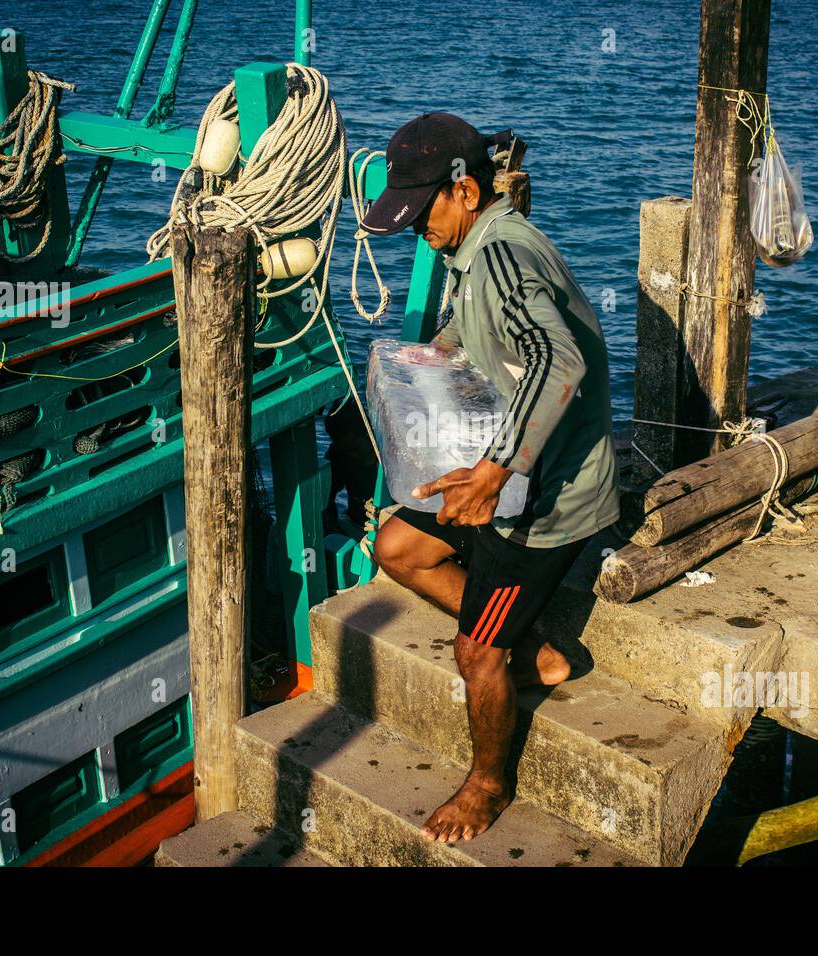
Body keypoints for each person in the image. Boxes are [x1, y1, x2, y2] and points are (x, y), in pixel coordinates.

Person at [360, 112, 620, 845]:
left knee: (475, 651)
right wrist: (424, 361)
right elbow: (470, 331)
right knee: (397, 548)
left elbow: (558, 360)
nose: (417, 230)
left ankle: (488, 783)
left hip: (547, 494)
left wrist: (496, 467)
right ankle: (537, 648)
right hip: (506, 469)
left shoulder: (503, 254)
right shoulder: (470, 252)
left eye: (422, 213)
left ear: (465, 190)